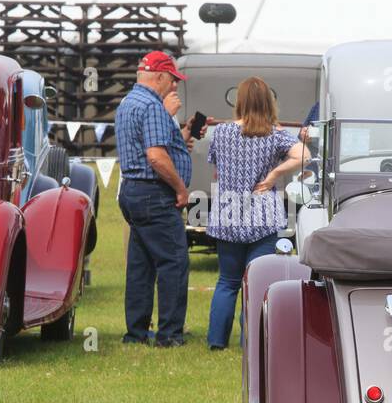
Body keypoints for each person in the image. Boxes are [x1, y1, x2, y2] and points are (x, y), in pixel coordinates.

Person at [206, 76, 307, 350]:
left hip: (228, 212)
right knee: (256, 284)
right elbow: (304, 155)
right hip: (263, 214)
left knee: (227, 282)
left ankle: (216, 341)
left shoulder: (222, 132)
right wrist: (275, 174)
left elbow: (216, 166)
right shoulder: (276, 135)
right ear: (268, 102)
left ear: (239, 101)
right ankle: (250, 342)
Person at [114, 51, 194, 347]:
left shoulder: (127, 103)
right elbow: (157, 157)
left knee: (141, 265)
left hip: (132, 191)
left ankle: (135, 332)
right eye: (172, 80)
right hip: (153, 193)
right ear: (160, 76)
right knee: (173, 261)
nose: (174, 86)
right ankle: (169, 334)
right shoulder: (153, 107)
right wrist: (181, 189)